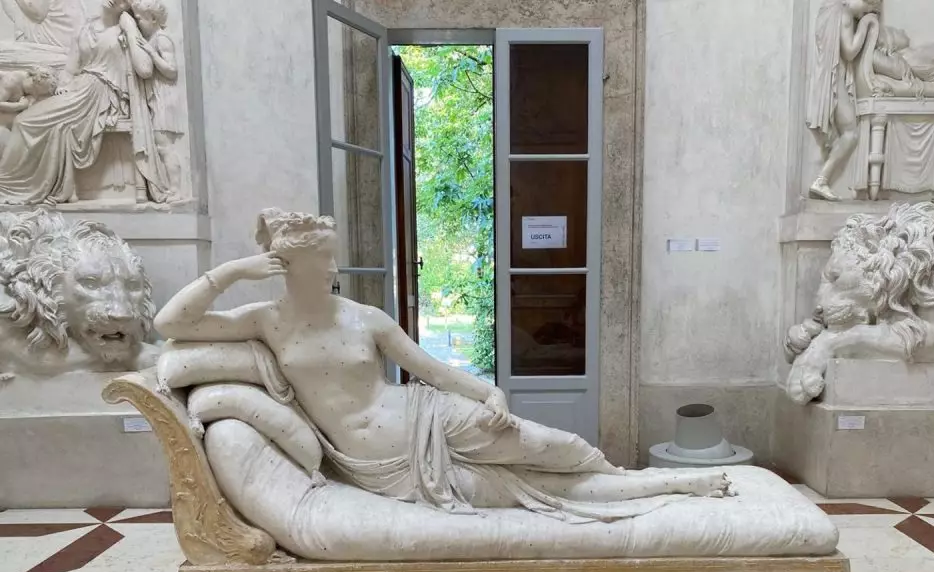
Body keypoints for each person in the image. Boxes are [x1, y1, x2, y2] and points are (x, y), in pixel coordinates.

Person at [154, 210, 733, 519]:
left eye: (331, 258)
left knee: (551, 447)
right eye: (318, 259)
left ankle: (649, 483)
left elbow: (430, 369)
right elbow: (171, 326)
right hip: (378, 456)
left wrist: (489, 394)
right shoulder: (265, 319)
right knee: (529, 492)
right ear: (284, 265)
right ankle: (675, 487)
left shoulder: (365, 317)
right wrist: (229, 272)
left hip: (428, 413)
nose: (330, 268)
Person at [0, 0, 155, 204]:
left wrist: (131, 31)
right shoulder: (86, 28)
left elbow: (144, 70)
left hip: (101, 92)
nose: (116, 0)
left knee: (26, 121)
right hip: (78, 88)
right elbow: (70, 69)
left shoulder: (125, 28)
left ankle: (11, 185)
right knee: (25, 119)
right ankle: (14, 183)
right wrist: (64, 84)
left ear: (127, 7)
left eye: (124, 0)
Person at [806, 0, 882, 201]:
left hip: (823, 77)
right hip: (834, 80)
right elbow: (849, 51)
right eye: (867, 9)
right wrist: (866, 25)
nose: (863, 15)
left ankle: (823, 175)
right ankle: (822, 180)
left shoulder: (827, 9)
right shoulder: (845, 13)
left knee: (846, 134)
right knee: (851, 134)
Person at [132, 0, 183, 199]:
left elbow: (171, 71)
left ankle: (176, 190)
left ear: (153, 18)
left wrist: (151, 52)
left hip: (165, 97)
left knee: (164, 146)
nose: (137, 22)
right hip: (157, 97)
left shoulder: (161, 38)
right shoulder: (151, 37)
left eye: (140, 18)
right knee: (161, 145)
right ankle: (172, 187)